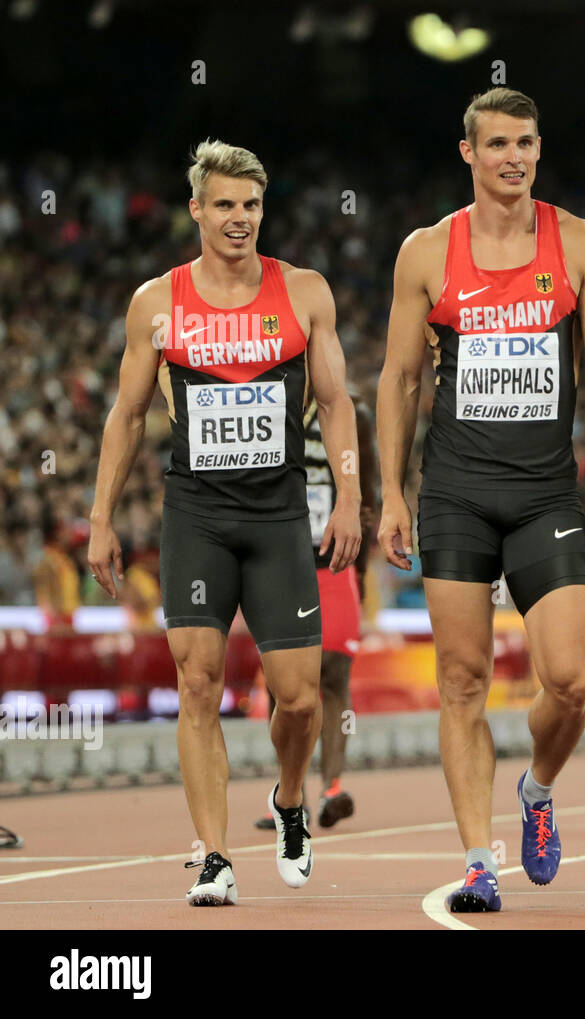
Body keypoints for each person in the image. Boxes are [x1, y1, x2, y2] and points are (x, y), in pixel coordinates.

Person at [377, 89, 585, 913]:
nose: (514, 157)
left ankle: (538, 788)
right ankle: (478, 860)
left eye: (526, 141)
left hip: (545, 493)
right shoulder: (426, 253)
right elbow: (401, 378)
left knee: (570, 681)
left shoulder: (581, 244)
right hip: (454, 491)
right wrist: (390, 490)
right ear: (468, 154)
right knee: (462, 680)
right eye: (497, 144)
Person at [87, 140, 362, 906]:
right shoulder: (158, 302)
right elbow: (128, 415)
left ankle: (289, 797)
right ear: (197, 211)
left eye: (251, 206)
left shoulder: (304, 292)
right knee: (197, 682)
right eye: (225, 206)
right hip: (198, 515)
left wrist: (348, 496)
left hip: (278, 515)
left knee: (300, 696)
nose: (239, 219)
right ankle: (214, 855)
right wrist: (100, 515)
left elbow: (338, 404)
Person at [254, 389, 378, 830]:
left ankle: (332, 788)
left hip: (334, 563)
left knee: (334, 672)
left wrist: (362, 571)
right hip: (279, 563)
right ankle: (292, 797)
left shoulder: (353, 412)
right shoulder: (264, 398)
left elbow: (370, 492)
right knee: (282, 682)